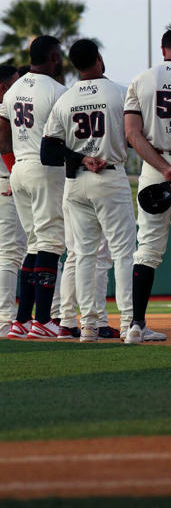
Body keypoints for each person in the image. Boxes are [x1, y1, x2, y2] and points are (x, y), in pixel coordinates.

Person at [41, 39, 135, 343]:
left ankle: (90, 326)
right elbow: (135, 136)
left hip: (77, 182)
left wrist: (80, 157)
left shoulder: (65, 99)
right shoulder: (120, 92)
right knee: (122, 252)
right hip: (109, 176)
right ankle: (130, 323)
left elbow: (48, 151)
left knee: (83, 255)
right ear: (98, 59)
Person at [123, 27, 171, 344]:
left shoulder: (142, 79)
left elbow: (132, 134)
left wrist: (164, 168)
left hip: (157, 166)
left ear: (163, 49)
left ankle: (135, 324)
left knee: (147, 249)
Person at [0, 36, 67, 339]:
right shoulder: (57, 90)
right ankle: (42, 320)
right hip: (45, 169)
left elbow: (2, 138)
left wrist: (15, 166)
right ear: (53, 56)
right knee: (50, 244)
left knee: (33, 244)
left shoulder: (13, 89)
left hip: (19, 169)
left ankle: (21, 320)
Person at [0, 65, 27, 337]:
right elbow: (4, 144)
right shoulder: (3, 110)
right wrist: (13, 174)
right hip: (6, 183)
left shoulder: (11, 110)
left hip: (10, 179)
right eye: (14, 83)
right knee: (9, 253)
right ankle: (5, 319)